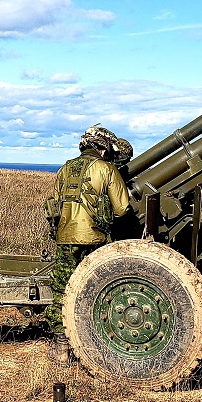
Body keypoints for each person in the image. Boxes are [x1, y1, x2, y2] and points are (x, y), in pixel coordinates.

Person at [44, 125, 131, 328]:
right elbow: (121, 208)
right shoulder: (106, 168)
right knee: (96, 288)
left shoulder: (65, 168)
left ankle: (60, 344)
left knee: (62, 290)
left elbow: (56, 204)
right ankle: (90, 332)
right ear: (103, 148)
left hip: (65, 237)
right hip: (95, 239)